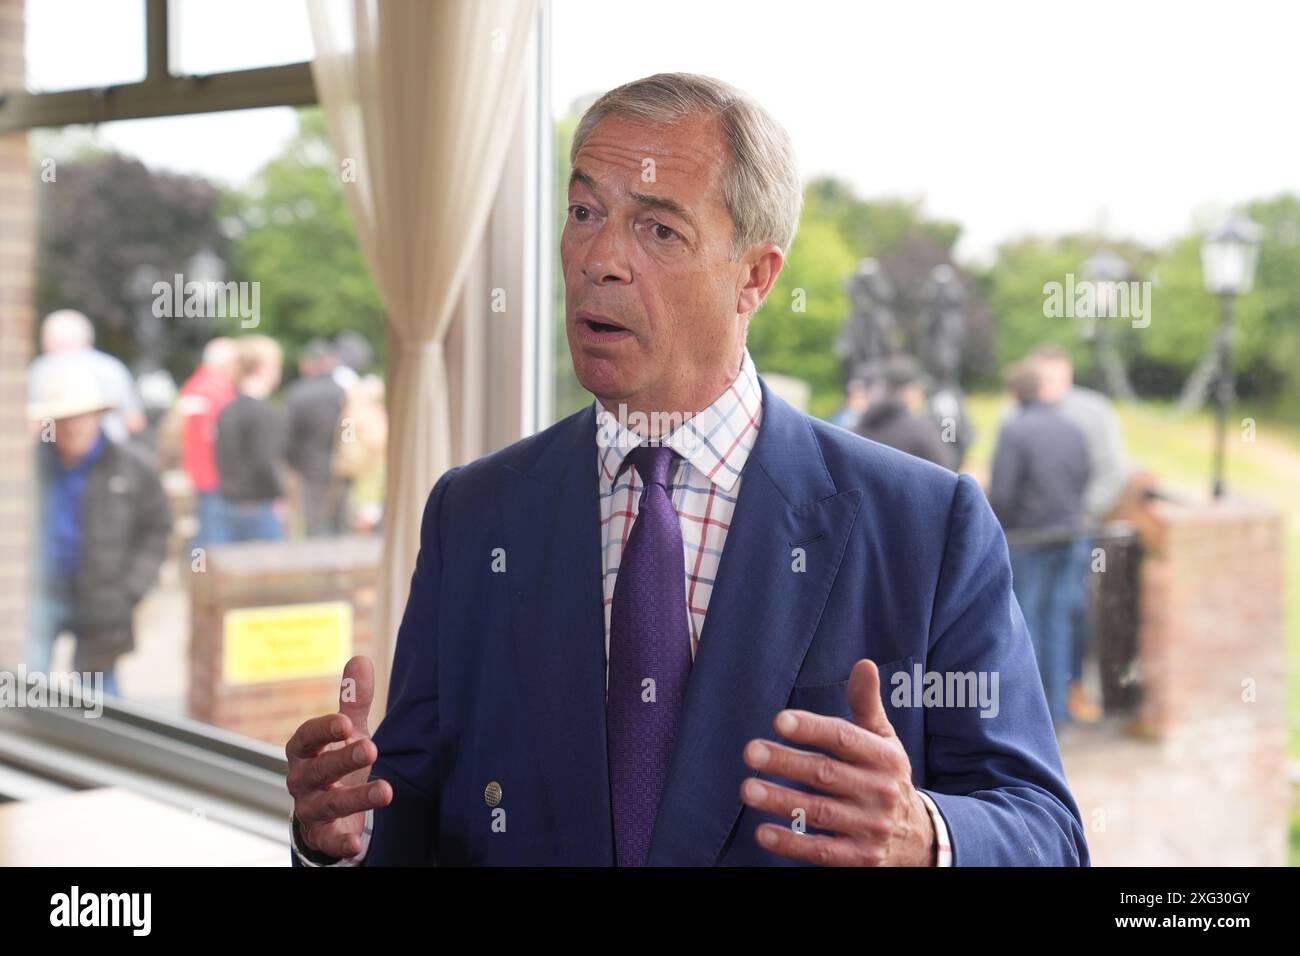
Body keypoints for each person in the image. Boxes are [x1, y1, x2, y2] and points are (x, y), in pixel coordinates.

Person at [286, 72, 1088, 867]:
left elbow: (1046, 833)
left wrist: (920, 835)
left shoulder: (925, 524)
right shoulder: (474, 513)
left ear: (756, 277)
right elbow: (413, 807)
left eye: (657, 230)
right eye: (583, 212)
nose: (599, 258)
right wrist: (339, 840)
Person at [27, 362, 172, 696]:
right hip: (40, 596)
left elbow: (157, 530)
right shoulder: (28, 464)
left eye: (81, 416)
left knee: (102, 702)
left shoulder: (133, 465)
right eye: (63, 418)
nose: (72, 427)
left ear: (98, 416)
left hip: (104, 600)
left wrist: (129, 590)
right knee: (23, 690)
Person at [987, 362, 1090, 729]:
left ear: (1015, 393)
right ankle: (1058, 711)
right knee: (1059, 620)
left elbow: (1003, 493)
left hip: (1029, 540)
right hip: (1068, 536)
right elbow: (1083, 480)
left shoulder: (1014, 430)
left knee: (1024, 623)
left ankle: (1029, 718)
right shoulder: (1073, 429)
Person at [1032, 345, 1131, 723]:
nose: (1049, 386)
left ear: (1068, 374)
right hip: (1033, 534)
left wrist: (1085, 514)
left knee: (1072, 609)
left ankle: (1069, 694)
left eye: (1055, 377)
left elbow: (1112, 470)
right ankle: (1042, 699)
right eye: (1043, 378)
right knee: (1034, 611)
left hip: (1077, 533)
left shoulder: (1093, 412)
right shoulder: (1024, 409)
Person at [28, 309, 146, 444]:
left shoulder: (42, 369)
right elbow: (135, 422)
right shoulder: (112, 367)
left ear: (50, 340)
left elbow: (32, 425)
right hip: (113, 452)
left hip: (56, 457)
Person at [215, 336, 287, 542]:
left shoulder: (227, 409)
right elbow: (265, 462)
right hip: (260, 506)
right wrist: (279, 496)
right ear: (262, 367)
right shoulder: (264, 412)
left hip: (229, 504)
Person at [177, 337, 238, 549]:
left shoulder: (195, 385)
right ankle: (201, 576)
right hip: (214, 472)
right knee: (212, 535)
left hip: (201, 470)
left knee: (207, 528)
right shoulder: (215, 389)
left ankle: (198, 573)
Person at [284, 340, 348, 536]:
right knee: (341, 525)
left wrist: (294, 464)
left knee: (313, 525)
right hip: (342, 467)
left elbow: (288, 436)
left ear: (308, 364)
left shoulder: (298, 394)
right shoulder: (344, 393)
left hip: (309, 469)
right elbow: (350, 429)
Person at [853, 355, 957, 470]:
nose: (921, 395)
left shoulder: (855, 430)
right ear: (907, 390)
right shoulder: (922, 429)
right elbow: (947, 469)